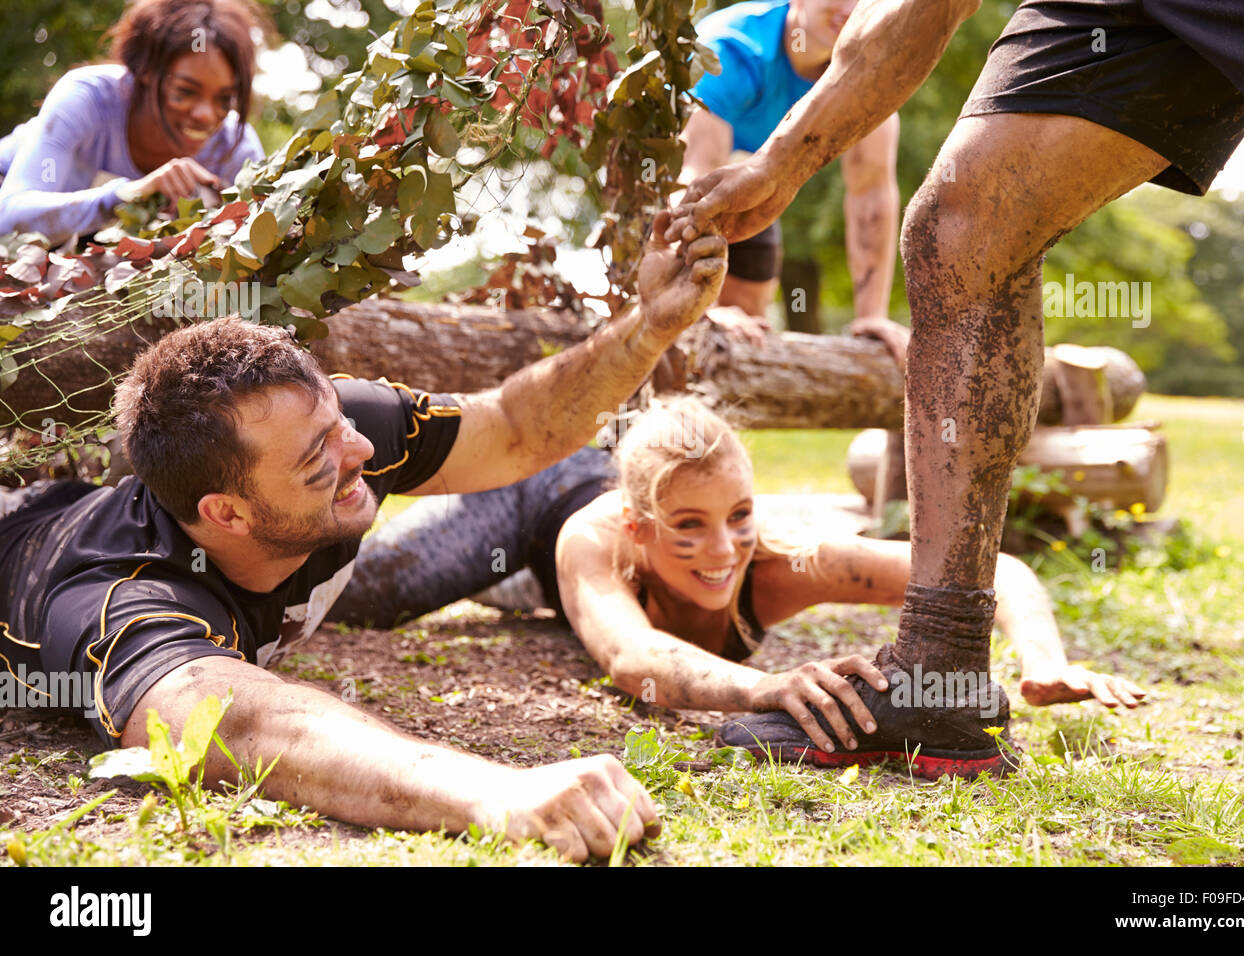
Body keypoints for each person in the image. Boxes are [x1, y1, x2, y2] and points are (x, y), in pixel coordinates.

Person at [667, 0, 1244, 762]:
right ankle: (942, 673)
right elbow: (910, 14)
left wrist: (780, 168)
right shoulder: (735, 51)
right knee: (964, 226)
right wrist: (780, 163)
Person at [0, 215, 727, 862]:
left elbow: (510, 426)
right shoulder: (122, 598)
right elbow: (244, 723)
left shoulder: (329, 429)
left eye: (339, 421)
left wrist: (650, 324)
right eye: (319, 460)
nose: (359, 453)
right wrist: (494, 792)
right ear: (227, 513)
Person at [335, 398, 1144, 780]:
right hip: (531, 513)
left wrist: (1040, 659)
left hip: (588, 530)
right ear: (641, 528)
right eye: (688, 526)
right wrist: (767, 687)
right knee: (358, 595)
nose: (722, 551)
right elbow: (631, 656)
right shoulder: (599, 538)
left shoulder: (779, 562)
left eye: (740, 515)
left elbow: (994, 569)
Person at [680, 0, 900, 343]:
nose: (851, 8)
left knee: (748, 332)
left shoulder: (868, 76)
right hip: (666, 186)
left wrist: (872, 318)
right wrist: (698, 305)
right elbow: (692, 178)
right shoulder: (731, 50)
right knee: (682, 324)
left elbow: (871, 191)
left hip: (747, 182)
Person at [0, 0, 266, 244]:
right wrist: (124, 196)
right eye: (184, 92)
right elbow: (9, 217)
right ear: (147, 70)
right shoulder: (88, 100)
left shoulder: (235, 150)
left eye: (224, 99)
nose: (206, 115)